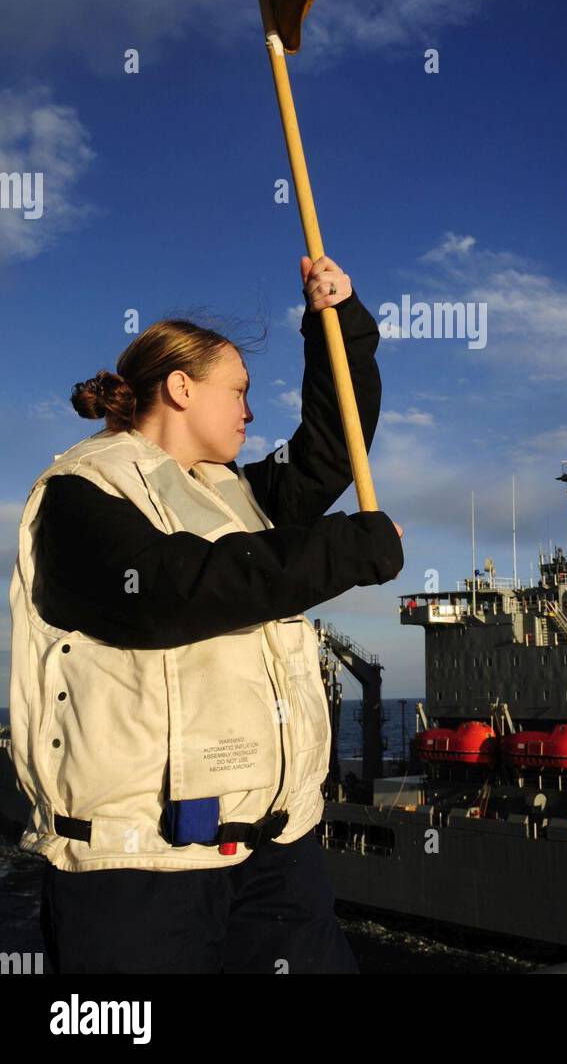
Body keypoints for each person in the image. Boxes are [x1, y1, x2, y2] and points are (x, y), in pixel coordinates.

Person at [7, 254, 404, 974]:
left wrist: (336, 328)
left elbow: (329, 447)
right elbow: (163, 591)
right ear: (181, 388)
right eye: (240, 392)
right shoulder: (78, 493)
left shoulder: (236, 496)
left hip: (274, 857)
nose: (251, 412)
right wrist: (343, 552)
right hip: (137, 876)